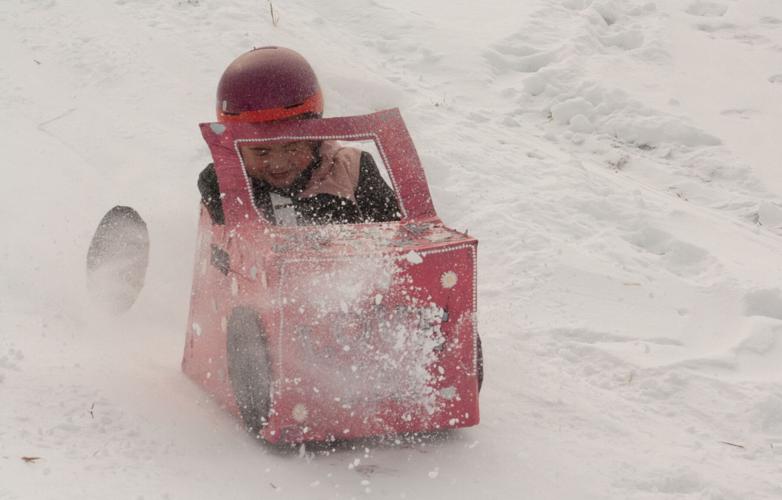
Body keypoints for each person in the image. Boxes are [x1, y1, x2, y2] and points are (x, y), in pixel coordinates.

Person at [198, 47, 401, 226]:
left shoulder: (353, 169)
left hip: (358, 266)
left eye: (292, 147)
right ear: (239, 149)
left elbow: (402, 241)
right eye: (261, 151)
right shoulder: (227, 180)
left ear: (315, 138)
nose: (278, 164)